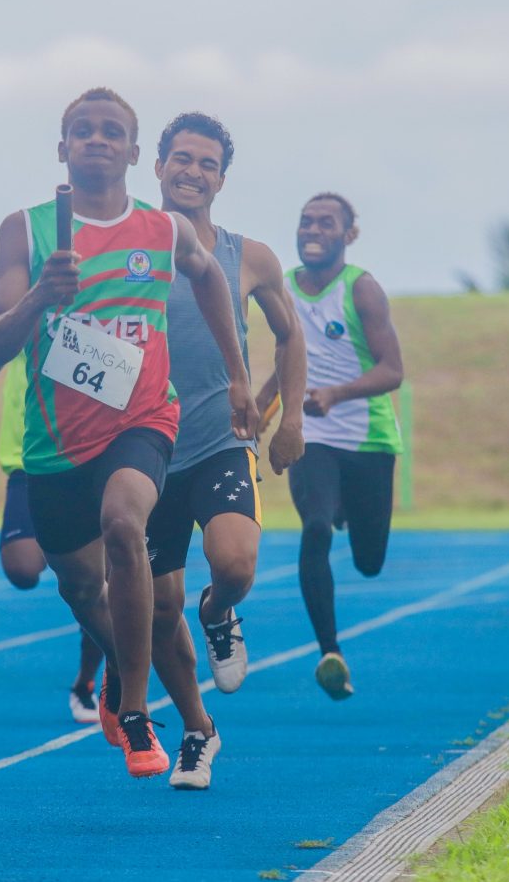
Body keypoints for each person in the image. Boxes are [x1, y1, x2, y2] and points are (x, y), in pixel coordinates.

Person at [0, 88, 257, 779]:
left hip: (141, 421)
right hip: (55, 443)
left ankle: (134, 710)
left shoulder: (162, 230)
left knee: (125, 524)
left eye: (111, 132)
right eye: (82, 130)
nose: (96, 140)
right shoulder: (27, 229)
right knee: (80, 586)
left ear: (133, 153)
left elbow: (211, 281)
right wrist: (41, 295)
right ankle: (119, 683)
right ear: (63, 147)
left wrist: (239, 374)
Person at [144, 112, 306, 789]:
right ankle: (196, 730)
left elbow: (290, 334)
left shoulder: (251, 256)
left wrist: (288, 414)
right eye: (181, 158)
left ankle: (218, 612)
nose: (192, 171)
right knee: (154, 607)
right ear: (158, 167)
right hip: (142, 448)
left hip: (219, 441)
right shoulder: (130, 246)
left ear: (222, 177)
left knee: (235, 564)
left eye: (206, 163)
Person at [259, 193, 403, 701]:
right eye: (305, 221)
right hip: (311, 435)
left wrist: (337, 394)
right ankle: (329, 652)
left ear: (348, 234)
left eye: (326, 222)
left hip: (367, 439)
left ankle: (345, 507)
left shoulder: (361, 290)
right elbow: (285, 359)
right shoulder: (282, 289)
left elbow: (393, 371)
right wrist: (260, 411)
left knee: (368, 561)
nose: (313, 230)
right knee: (316, 527)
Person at [0, 350, 104, 723]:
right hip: (29, 463)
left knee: (99, 584)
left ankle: (88, 683)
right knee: (22, 569)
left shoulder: (97, 321)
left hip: (89, 462)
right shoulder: (24, 325)